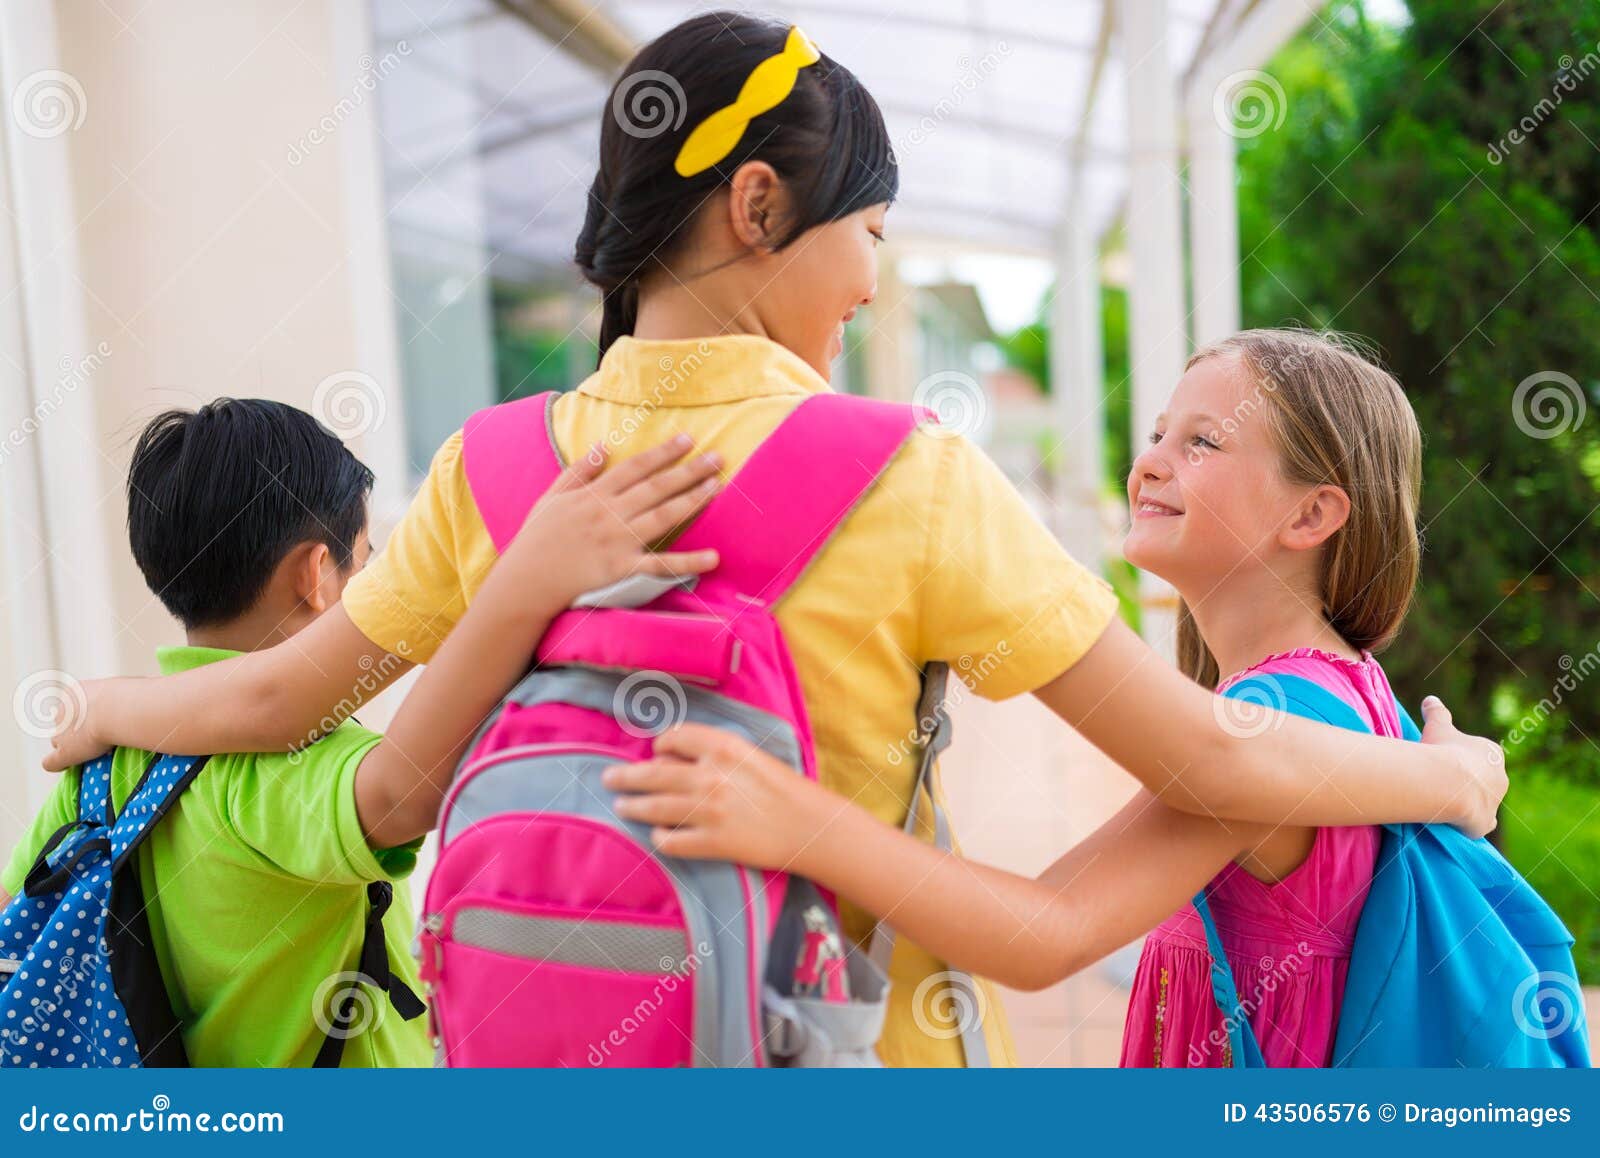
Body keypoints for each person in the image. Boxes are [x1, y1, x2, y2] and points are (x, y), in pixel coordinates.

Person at [40, 16, 1505, 1068]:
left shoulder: (489, 467)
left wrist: (106, 705)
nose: (872, 280)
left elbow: (278, 700)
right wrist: (1444, 774)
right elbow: (1222, 759)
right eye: (867, 231)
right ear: (757, 207)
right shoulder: (907, 478)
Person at [602, 329, 1448, 1067]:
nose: (1149, 460)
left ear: (1312, 516)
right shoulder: (1346, 690)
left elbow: (1043, 933)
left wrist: (800, 823)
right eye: (1159, 433)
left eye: (1204, 443)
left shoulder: (1275, 727)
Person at [2, 398, 718, 1065]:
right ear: (318, 574)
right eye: (367, 558)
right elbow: (400, 793)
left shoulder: (99, 773)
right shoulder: (281, 767)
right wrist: (526, 583)